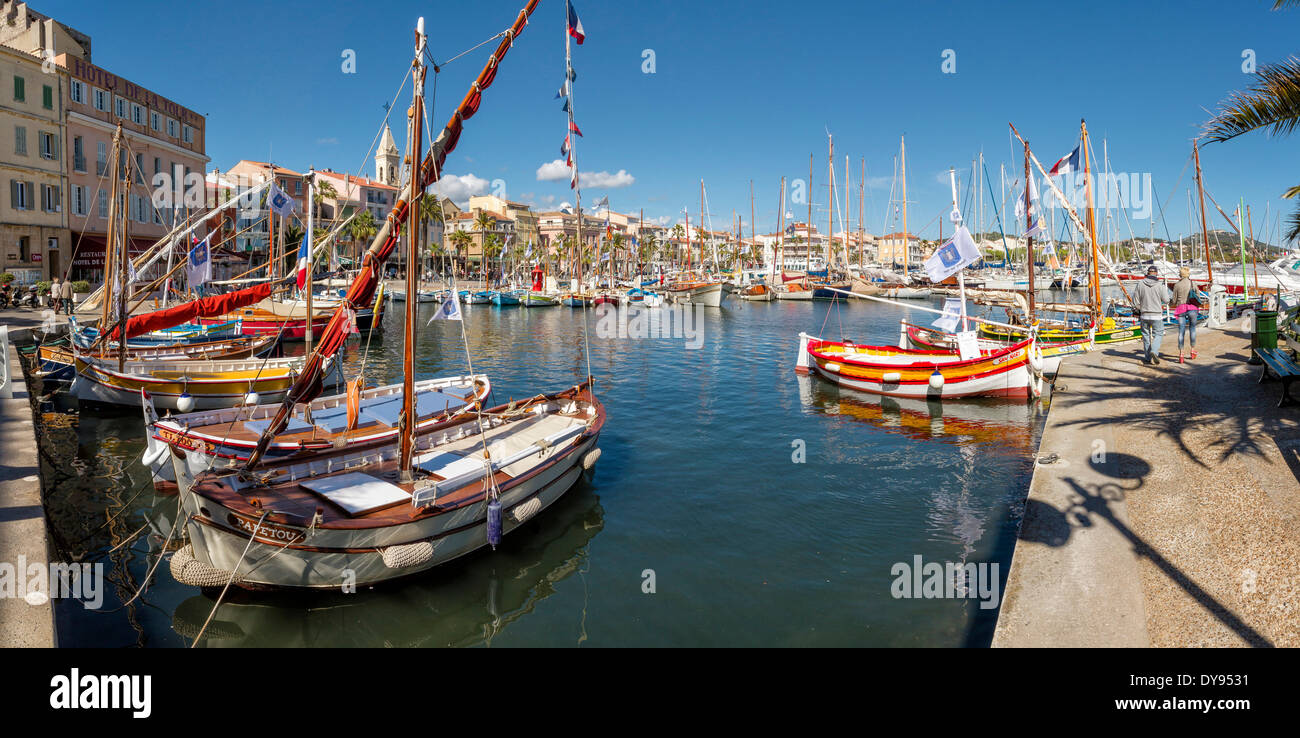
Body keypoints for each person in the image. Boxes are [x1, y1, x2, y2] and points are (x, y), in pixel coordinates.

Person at [1130, 265, 1171, 365]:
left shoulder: (1140, 284)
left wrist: (1142, 308)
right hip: (1156, 314)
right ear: (1156, 273)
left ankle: (1148, 357)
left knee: (1146, 336)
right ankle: (1154, 351)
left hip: (1144, 314)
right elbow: (1166, 300)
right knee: (1159, 333)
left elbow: (1135, 301)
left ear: (1148, 273)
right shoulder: (1160, 285)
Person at [1170, 266, 1199, 362]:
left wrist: (1170, 303)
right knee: (1192, 329)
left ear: (1180, 274)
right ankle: (1192, 351)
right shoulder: (1192, 283)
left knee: (1181, 331)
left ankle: (1181, 353)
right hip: (1192, 308)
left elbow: (1174, 301)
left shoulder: (1177, 285)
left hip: (1181, 309)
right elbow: (1198, 296)